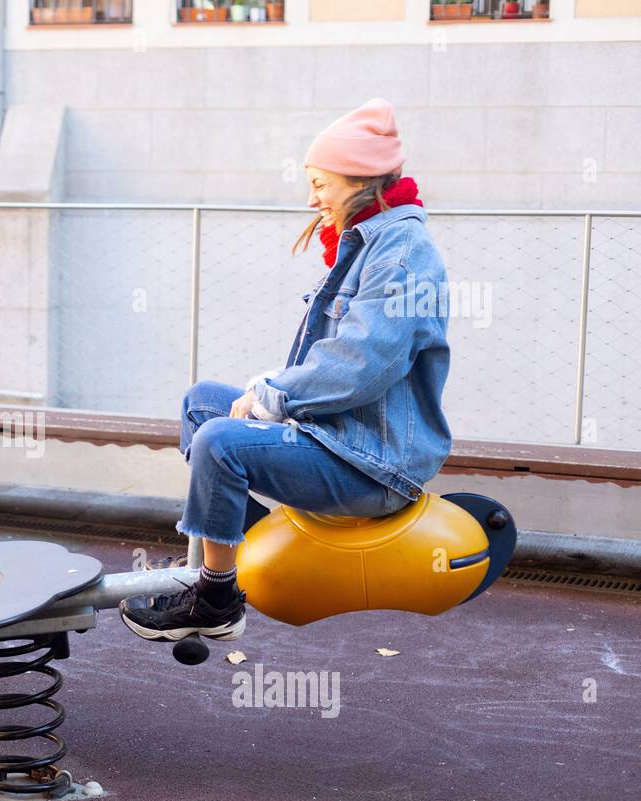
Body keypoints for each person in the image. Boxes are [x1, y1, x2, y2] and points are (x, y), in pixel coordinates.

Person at [121, 98, 452, 643]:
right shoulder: (373, 240)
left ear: (360, 180)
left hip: (373, 464)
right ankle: (246, 556)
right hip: (346, 439)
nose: (311, 198)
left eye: (320, 184)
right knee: (202, 402)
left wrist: (272, 394)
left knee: (221, 440)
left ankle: (216, 598)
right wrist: (267, 386)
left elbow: (362, 368)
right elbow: (347, 353)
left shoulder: (400, 253)